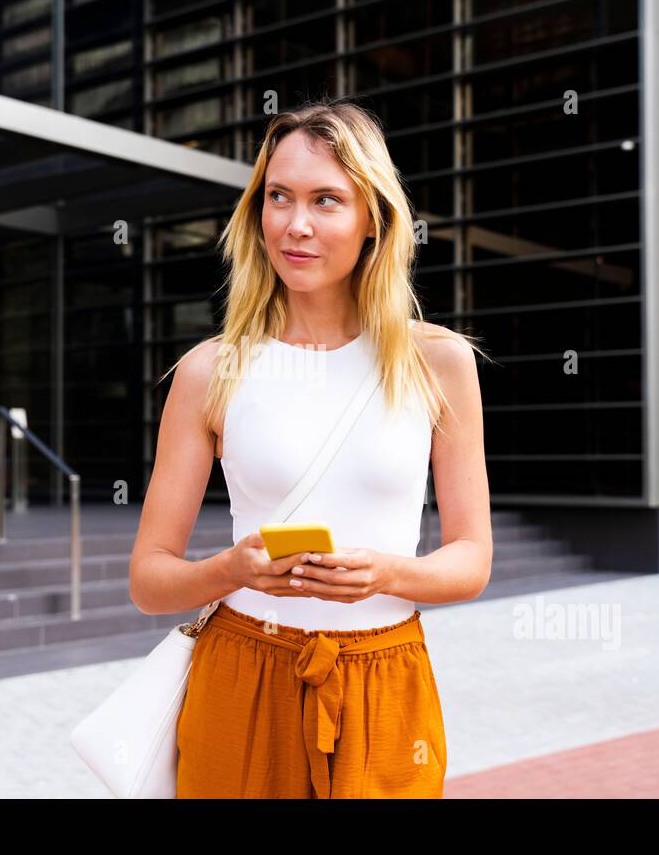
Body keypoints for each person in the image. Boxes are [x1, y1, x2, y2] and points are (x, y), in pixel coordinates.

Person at [129, 98, 493, 798]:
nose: (295, 224)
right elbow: (149, 577)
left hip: (386, 679)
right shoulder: (211, 369)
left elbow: (471, 558)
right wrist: (233, 567)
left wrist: (386, 573)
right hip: (241, 673)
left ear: (373, 221)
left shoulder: (439, 363)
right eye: (278, 197)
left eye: (326, 200)